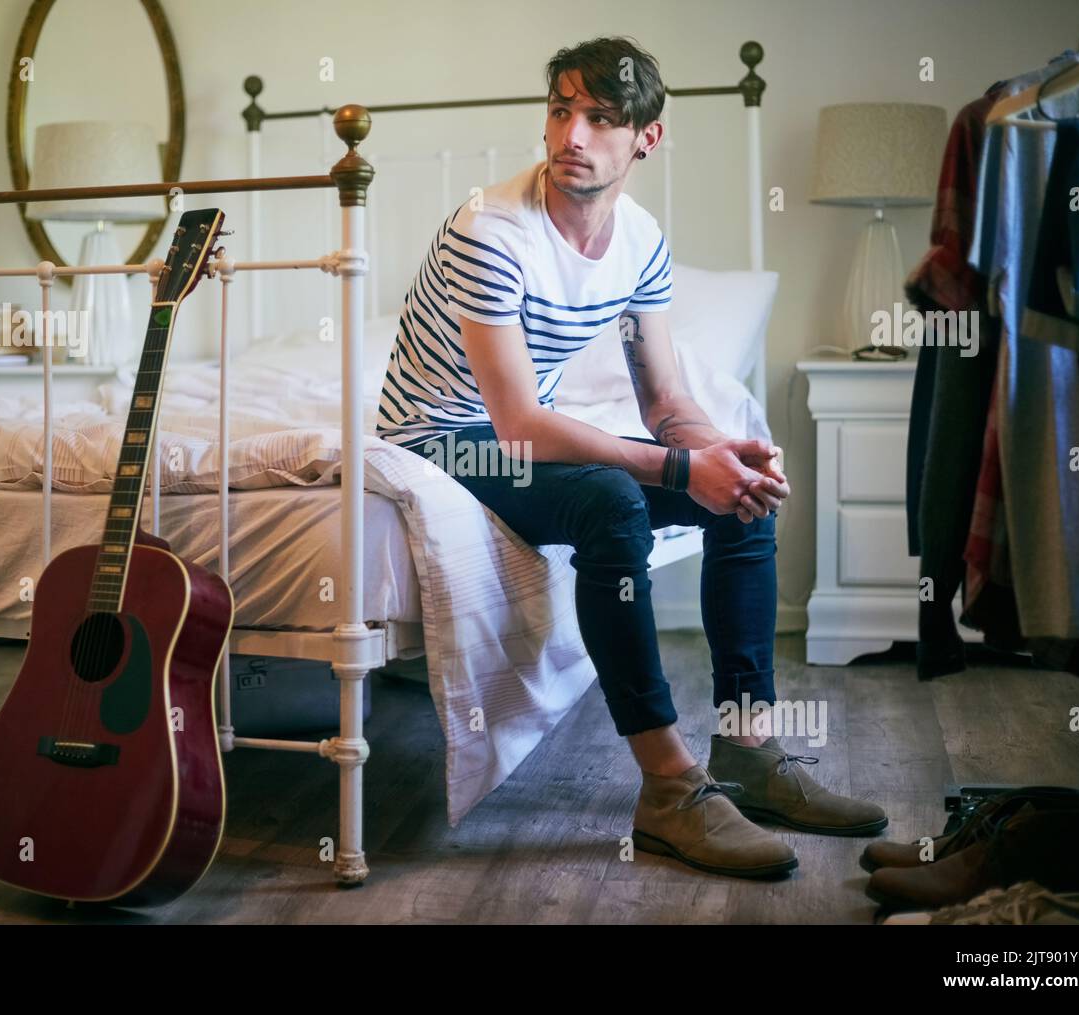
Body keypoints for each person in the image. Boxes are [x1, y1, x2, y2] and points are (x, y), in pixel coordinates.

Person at [376, 36, 886, 879]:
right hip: (439, 439)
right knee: (612, 499)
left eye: (601, 118)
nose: (572, 135)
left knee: (745, 497)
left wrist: (726, 458)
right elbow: (515, 423)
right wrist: (682, 470)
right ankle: (668, 787)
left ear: (645, 138)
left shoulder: (639, 240)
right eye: (560, 111)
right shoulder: (490, 230)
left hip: (507, 432)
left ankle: (748, 744)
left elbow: (665, 402)